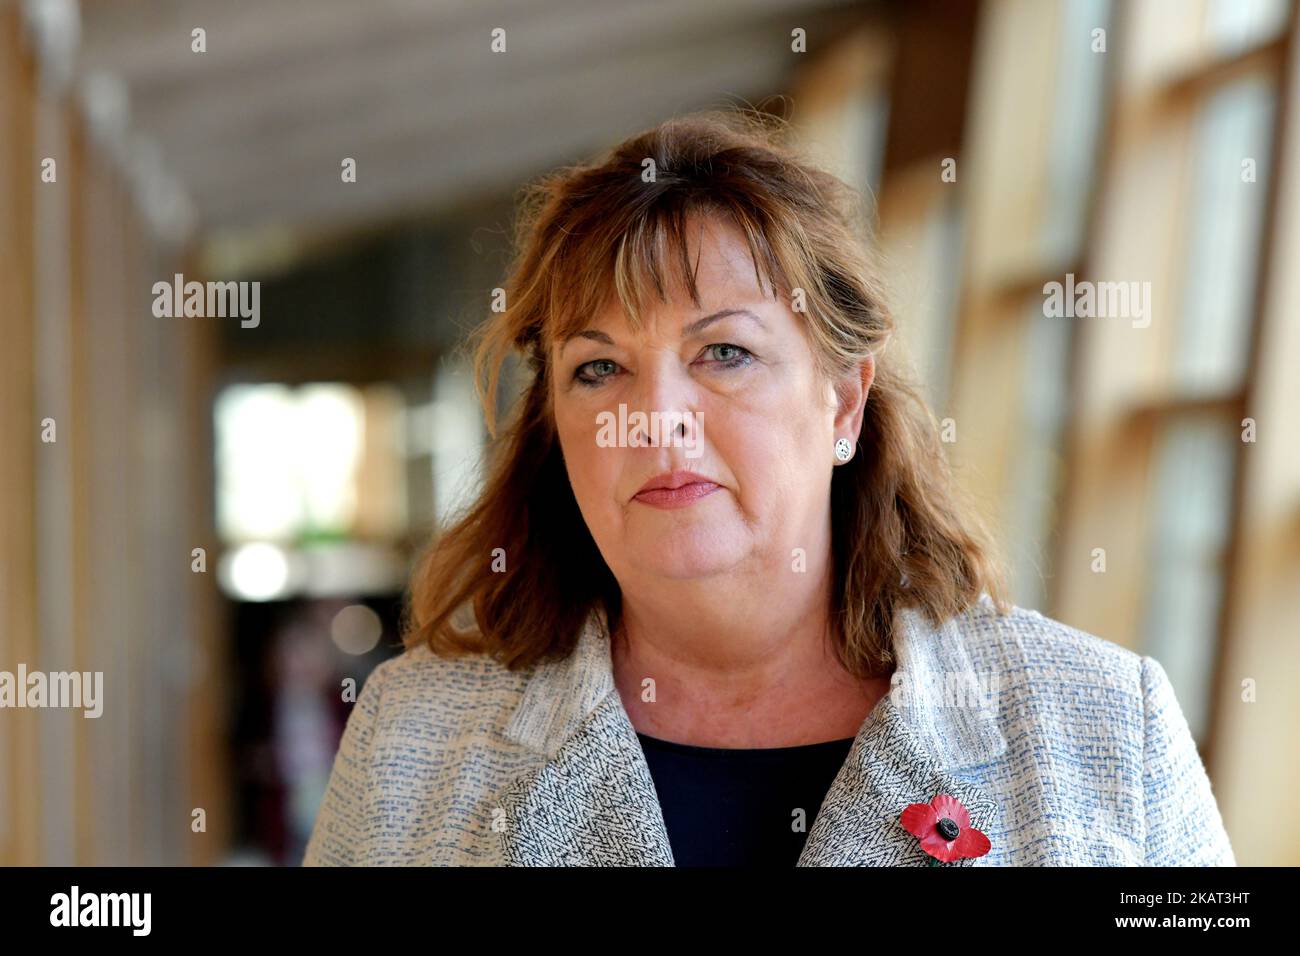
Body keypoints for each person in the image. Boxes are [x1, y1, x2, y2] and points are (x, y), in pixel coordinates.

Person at [303, 109, 1235, 866]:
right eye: (599, 369)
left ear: (842, 402)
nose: (657, 418)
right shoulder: (411, 738)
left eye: (725, 353)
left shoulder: (1107, 727)